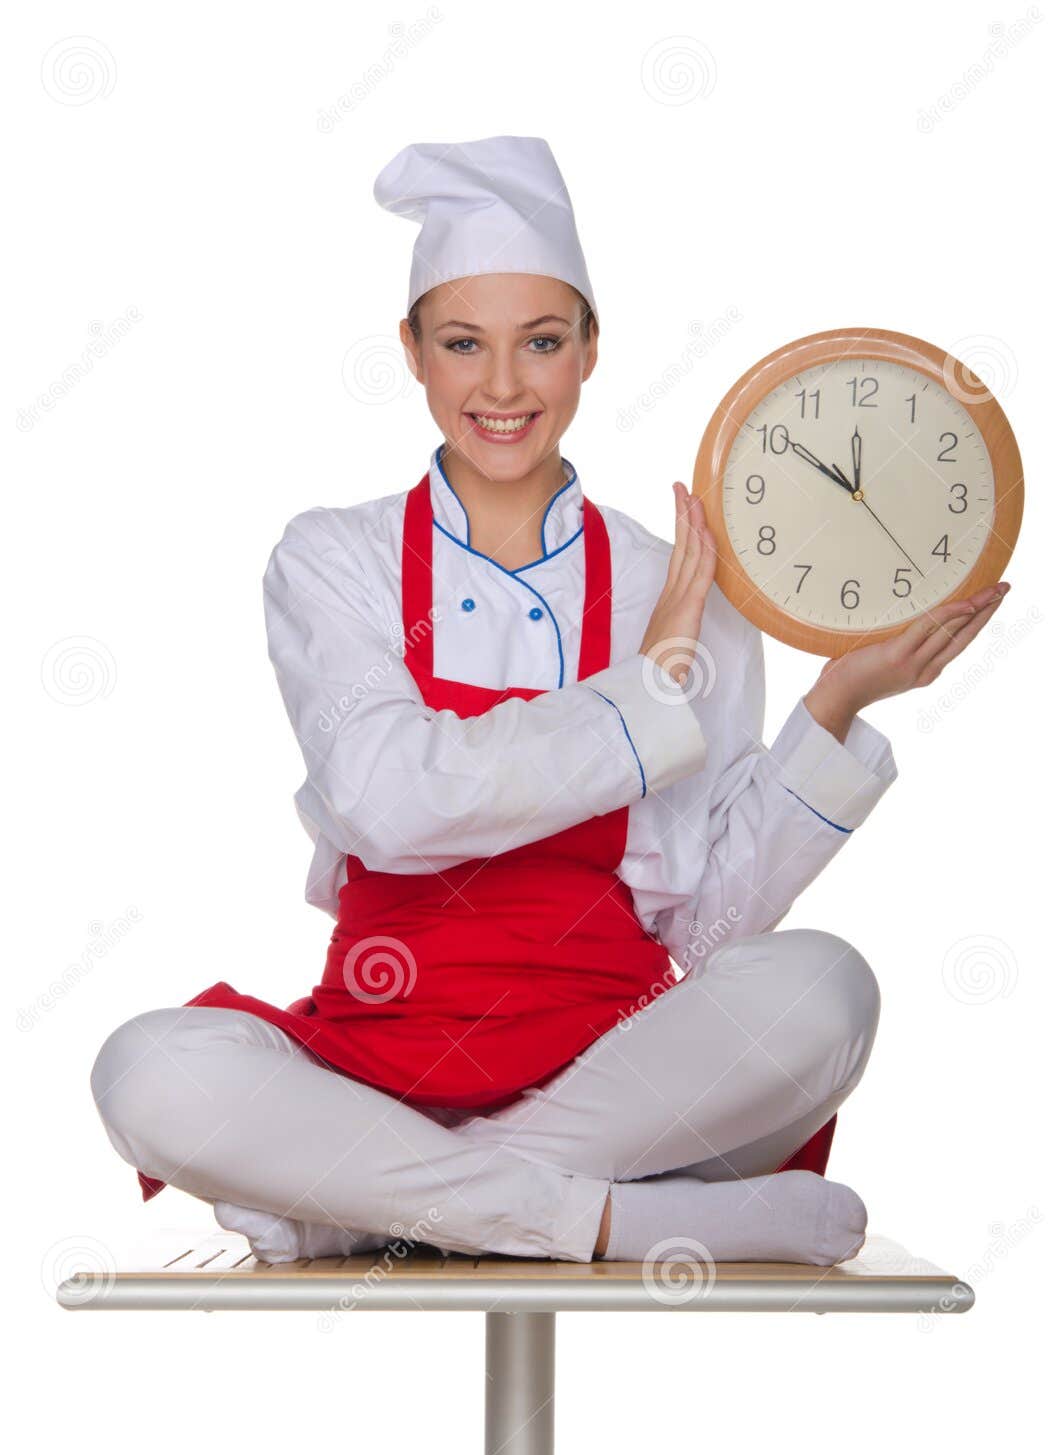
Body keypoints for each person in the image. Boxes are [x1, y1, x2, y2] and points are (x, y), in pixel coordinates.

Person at [88, 136, 1009, 1268]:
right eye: (463, 344)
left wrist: (834, 701)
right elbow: (387, 803)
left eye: (541, 342)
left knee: (824, 989)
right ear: (414, 355)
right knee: (148, 1070)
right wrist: (640, 696)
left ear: (587, 354)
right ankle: (605, 1219)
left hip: (607, 1061)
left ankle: (380, 1209)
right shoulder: (335, 559)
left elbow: (709, 927)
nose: (504, 386)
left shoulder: (687, 590)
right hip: (374, 1060)